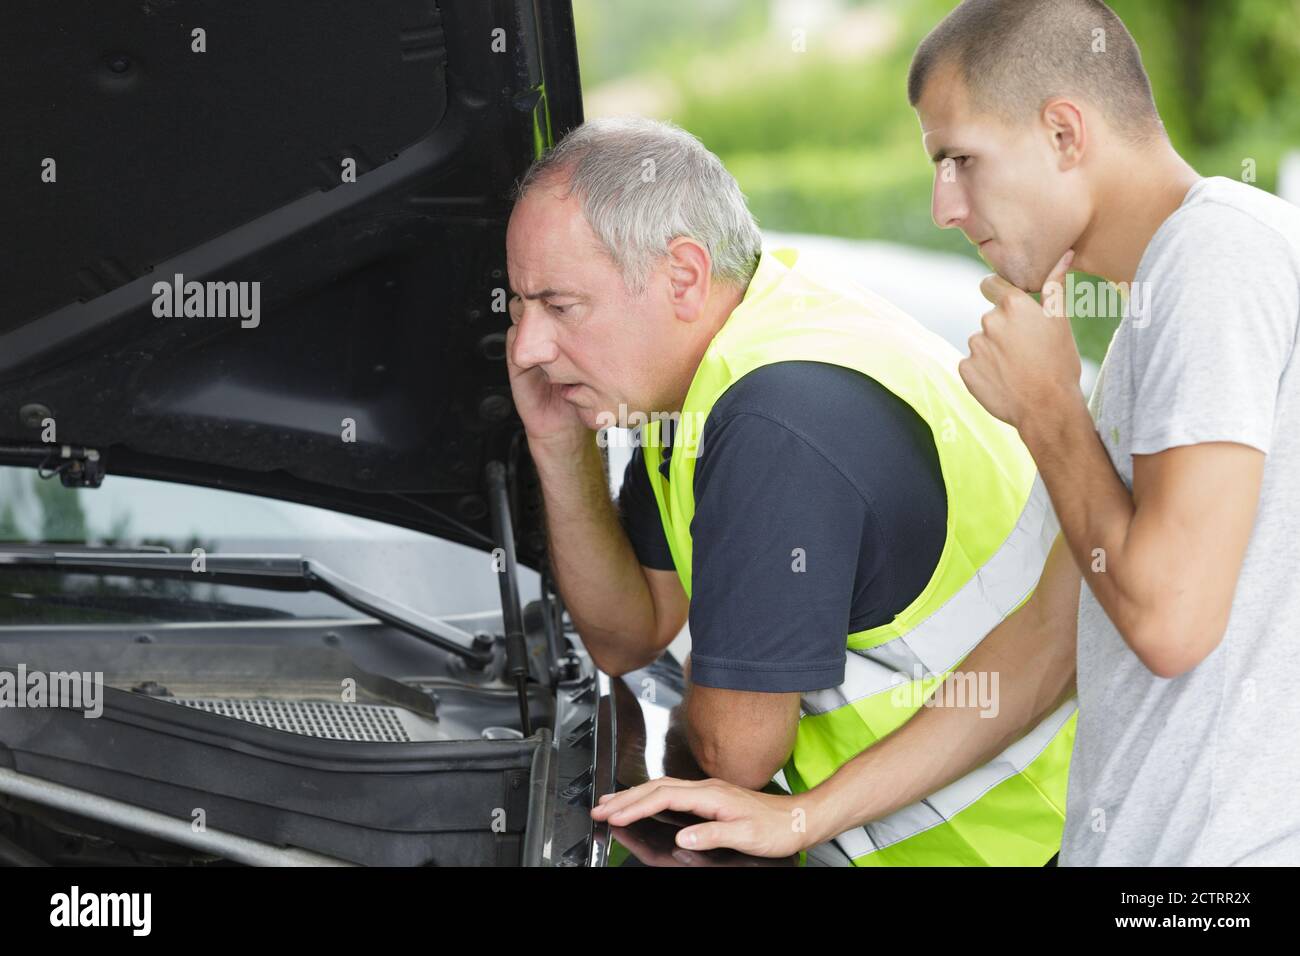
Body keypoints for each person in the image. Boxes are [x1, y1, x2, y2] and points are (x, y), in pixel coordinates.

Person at [593, 0, 1300, 866]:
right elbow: (1043, 647)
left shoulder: (1219, 258)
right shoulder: (1144, 326)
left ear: (1065, 133)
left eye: (961, 159)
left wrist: (1049, 412)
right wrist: (800, 818)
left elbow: (1172, 621)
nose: (943, 206)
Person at [507, 115, 1074, 865]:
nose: (527, 349)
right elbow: (628, 634)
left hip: (1031, 844)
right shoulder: (711, 366)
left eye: (559, 306)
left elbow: (734, 755)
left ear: (683, 275)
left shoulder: (775, 416)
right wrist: (556, 444)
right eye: (515, 307)